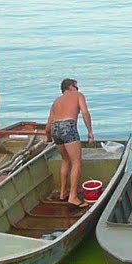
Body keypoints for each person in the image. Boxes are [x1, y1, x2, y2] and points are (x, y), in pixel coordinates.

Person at [45, 77, 93, 206]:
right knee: (76, 162)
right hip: (68, 126)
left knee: (65, 160)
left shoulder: (56, 101)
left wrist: (48, 136)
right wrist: (90, 132)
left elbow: (49, 123)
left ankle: (63, 192)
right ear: (70, 87)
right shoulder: (78, 95)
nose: (78, 89)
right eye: (76, 87)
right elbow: (85, 113)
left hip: (55, 128)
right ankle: (73, 196)